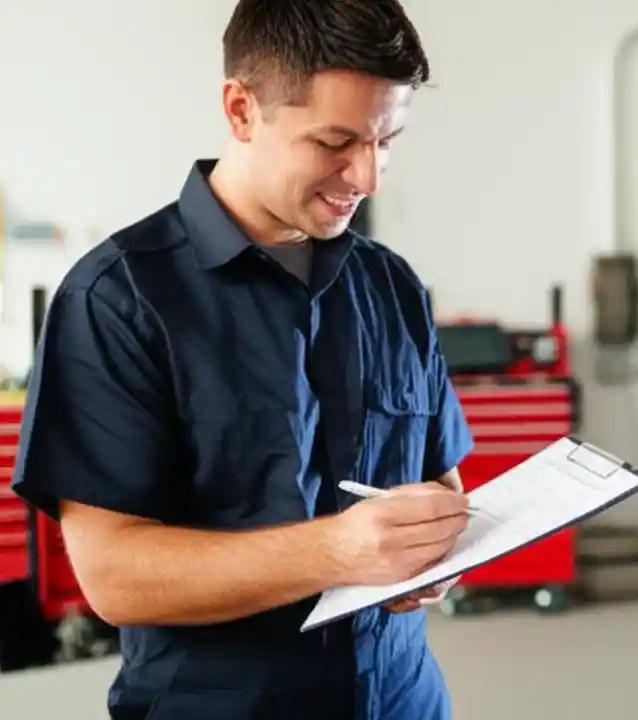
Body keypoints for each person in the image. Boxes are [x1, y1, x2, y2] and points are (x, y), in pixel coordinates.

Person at [11, 1, 474, 718]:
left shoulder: (393, 286)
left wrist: (436, 543)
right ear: (240, 110)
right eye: (335, 141)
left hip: (403, 699)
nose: (369, 176)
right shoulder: (118, 300)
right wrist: (340, 551)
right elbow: (115, 578)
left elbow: (438, 478)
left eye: (387, 140)